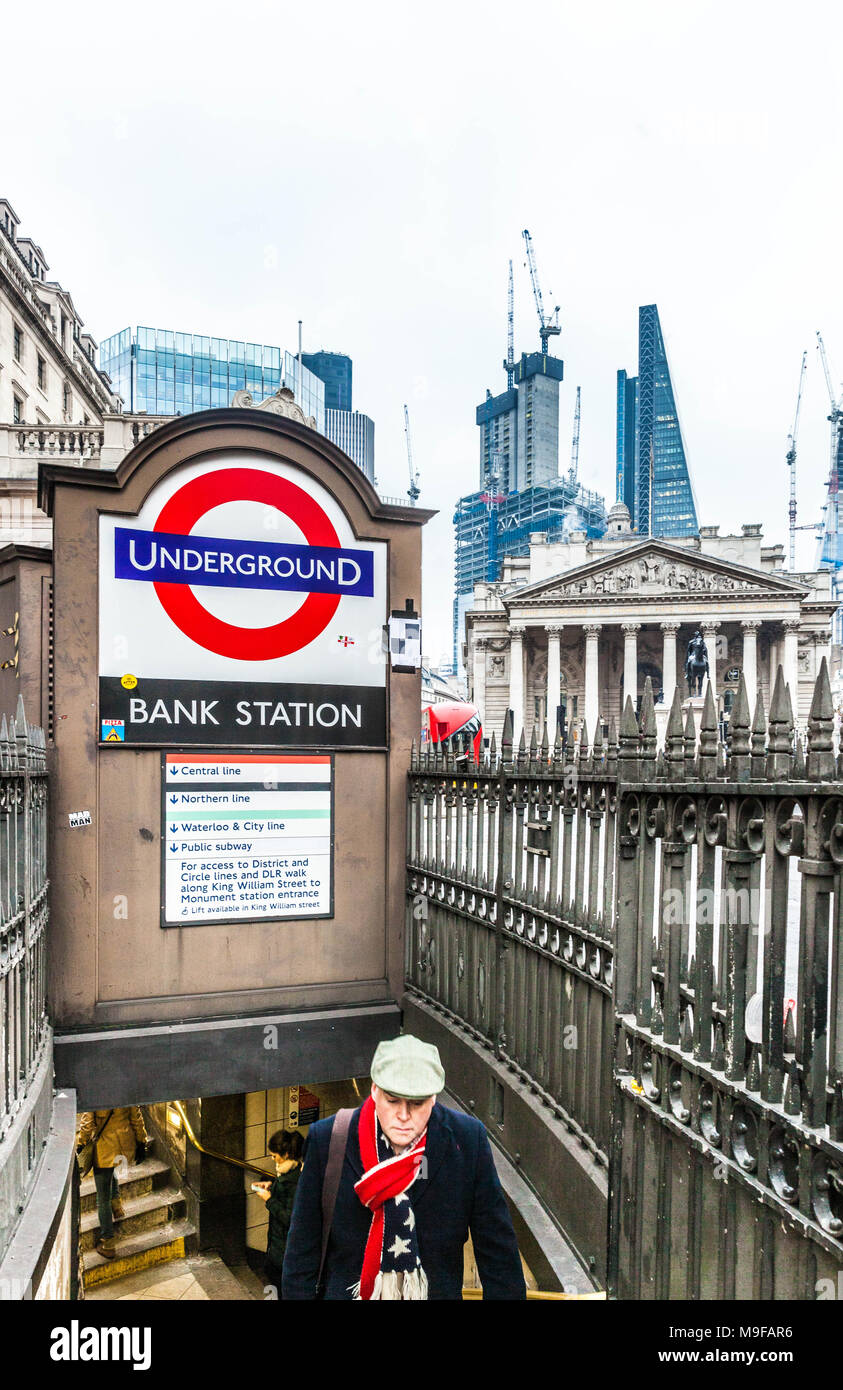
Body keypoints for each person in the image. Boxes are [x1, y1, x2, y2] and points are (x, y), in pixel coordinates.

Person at [281, 1034, 526, 1300]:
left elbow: (497, 1252)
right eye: (393, 1101)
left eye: (417, 1104)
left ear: (433, 1098)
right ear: (374, 1090)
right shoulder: (328, 1139)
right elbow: (302, 1249)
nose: (403, 1116)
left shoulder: (467, 1140)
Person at [76, 1107, 150, 1260]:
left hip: (104, 1147)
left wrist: (81, 1143)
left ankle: (108, 1244)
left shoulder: (95, 1095)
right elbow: (136, 1118)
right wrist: (142, 1140)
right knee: (114, 1168)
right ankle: (116, 1206)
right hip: (124, 1144)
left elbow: (87, 1123)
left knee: (103, 1198)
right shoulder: (125, 1093)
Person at [253, 1128, 304, 1298]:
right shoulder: (287, 1173)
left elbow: (290, 1219)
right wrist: (270, 1186)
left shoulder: (294, 1182)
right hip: (278, 1246)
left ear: (286, 1154)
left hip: (284, 1249)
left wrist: (269, 1199)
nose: (272, 1159)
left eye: (274, 1156)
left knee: (281, 1287)